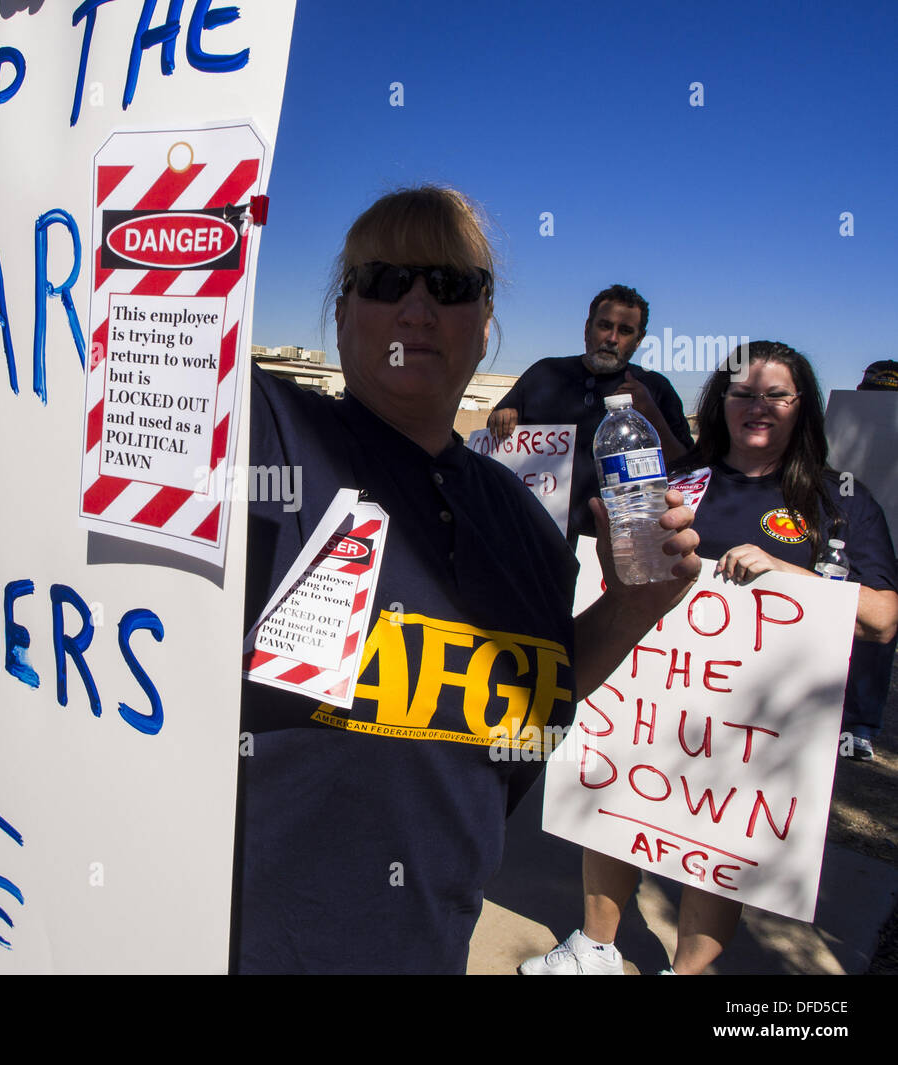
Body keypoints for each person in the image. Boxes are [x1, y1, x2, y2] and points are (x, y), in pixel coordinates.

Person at [229, 186, 703, 974]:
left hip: (429, 946)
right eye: (383, 281)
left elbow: (523, 712)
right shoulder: (267, 437)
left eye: (448, 286)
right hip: (246, 945)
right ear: (342, 314)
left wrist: (630, 609)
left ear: (484, 327)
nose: (416, 309)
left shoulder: (522, 521)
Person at [521, 341, 898, 975]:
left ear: (801, 406)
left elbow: (884, 618)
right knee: (618, 811)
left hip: (753, 725)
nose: (759, 406)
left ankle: (688, 972)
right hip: (649, 703)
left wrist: (786, 574)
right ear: (719, 402)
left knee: (719, 847)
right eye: (743, 392)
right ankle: (594, 948)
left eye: (777, 394)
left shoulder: (839, 499)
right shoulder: (675, 478)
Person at [486, 285, 694, 540]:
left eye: (626, 331)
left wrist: (651, 415)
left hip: (617, 546)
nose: (612, 338)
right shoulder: (544, 374)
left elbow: (687, 470)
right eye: (605, 326)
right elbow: (496, 432)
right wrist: (502, 417)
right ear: (587, 329)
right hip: (531, 536)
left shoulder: (655, 389)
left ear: (639, 340)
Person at [841, 359, 898, 759]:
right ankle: (853, 724)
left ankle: (859, 725)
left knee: (879, 635)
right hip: (853, 541)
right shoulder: (844, 428)